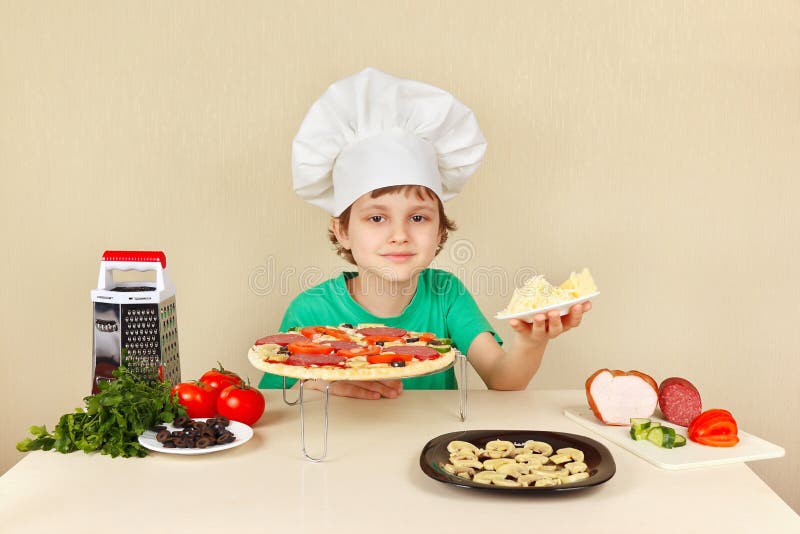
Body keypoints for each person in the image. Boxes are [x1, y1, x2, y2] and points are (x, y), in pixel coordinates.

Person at [258, 68, 591, 399]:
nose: (400, 234)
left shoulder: (447, 296)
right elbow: (278, 398)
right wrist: (323, 383)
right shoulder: (310, 311)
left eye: (418, 217)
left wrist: (532, 342)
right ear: (342, 231)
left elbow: (502, 379)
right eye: (376, 218)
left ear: (440, 230)